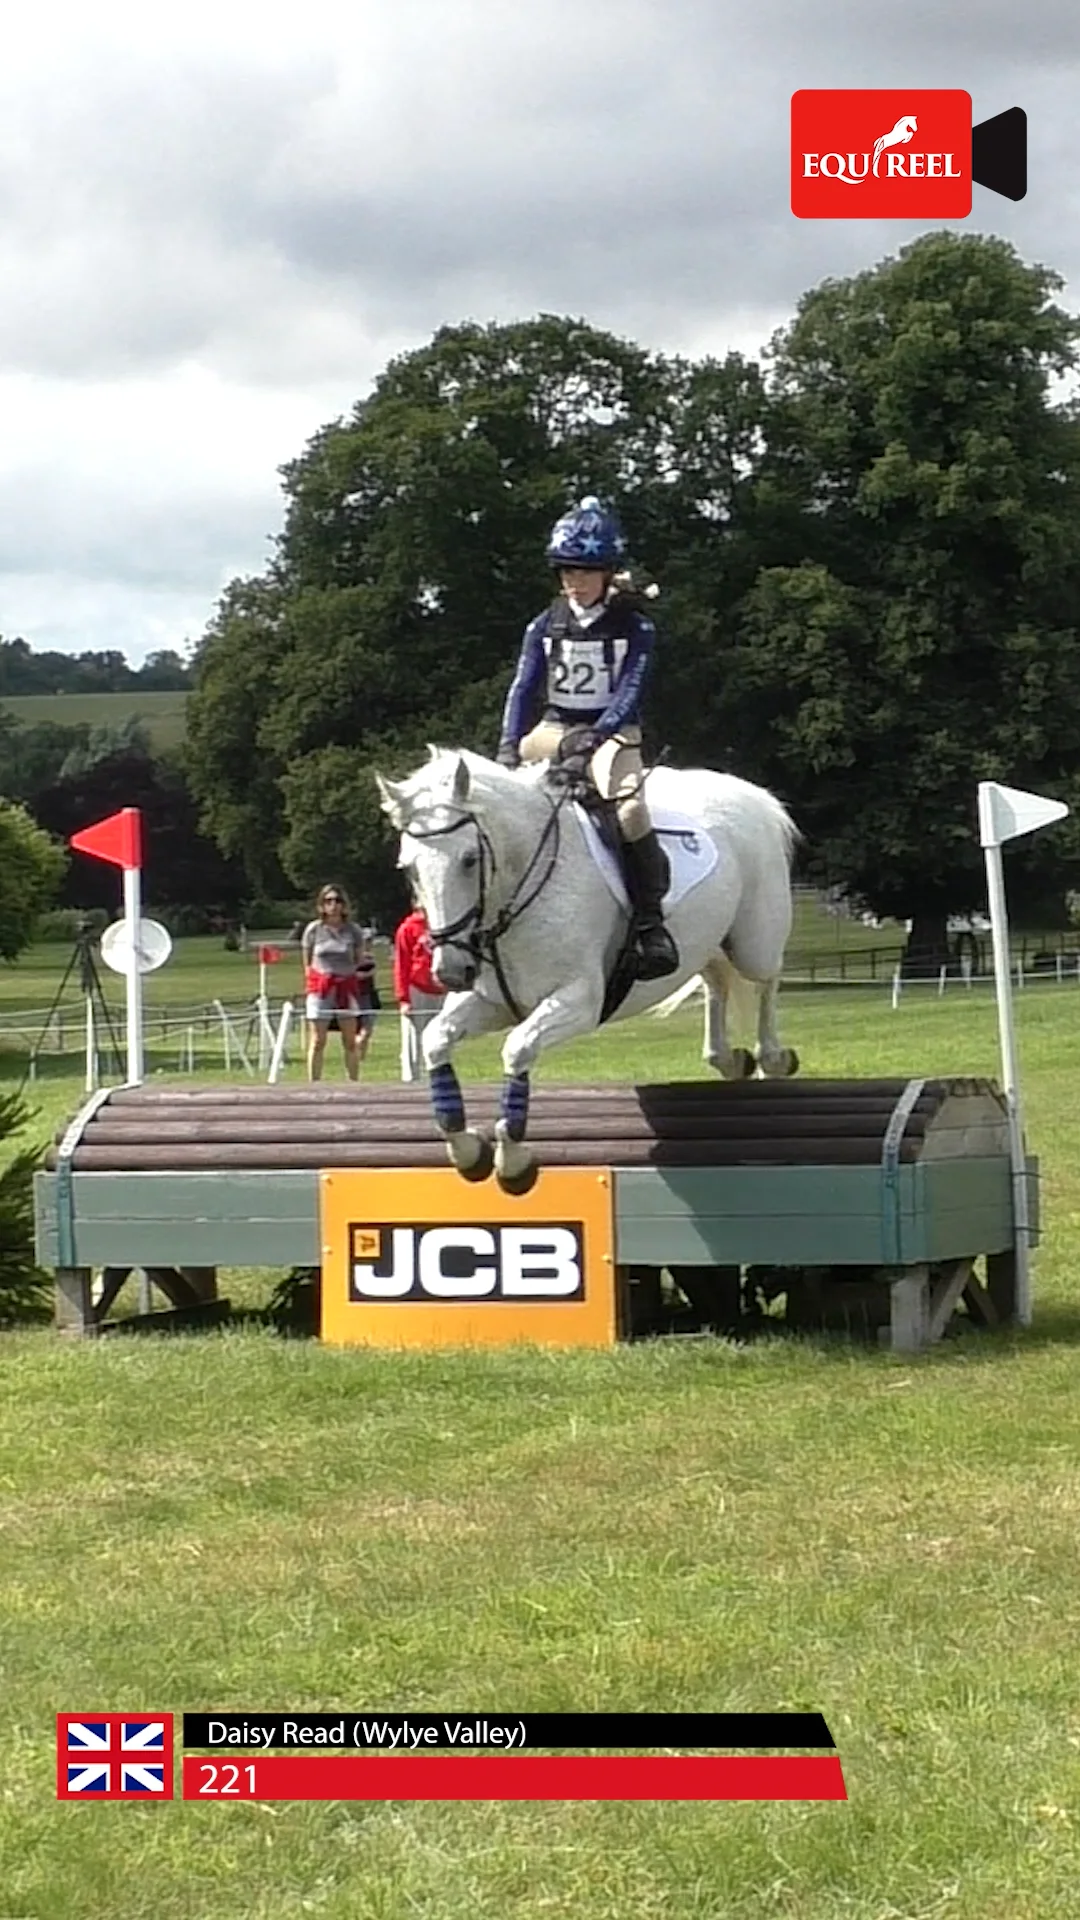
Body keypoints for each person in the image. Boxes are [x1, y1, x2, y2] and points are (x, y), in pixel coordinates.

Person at [495, 495, 679, 979]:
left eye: (583, 572)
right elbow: (522, 688)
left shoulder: (636, 627)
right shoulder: (544, 625)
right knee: (495, 802)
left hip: (613, 732)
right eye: (566, 572)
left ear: (605, 573)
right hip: (554, 728)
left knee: (631, 810)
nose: (573, 583)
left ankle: (649, 923)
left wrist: (597, 736)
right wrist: (509, 746)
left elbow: (629, 690)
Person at [301, 885, 377, 1081]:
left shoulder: (353, 930)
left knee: (350, 1041)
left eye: (337, 901)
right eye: (328, 901)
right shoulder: (314, 930)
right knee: (318, 1040)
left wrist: (356, 973)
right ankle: (314, 1084)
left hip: (346, 986)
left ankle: (353, 1082)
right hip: (321, 987)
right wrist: (314, 982)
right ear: (322, 905)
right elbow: (307, 962)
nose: (333, 905)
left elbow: (359, 960)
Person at [393, 903, 447, 1082]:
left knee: (440, 1036)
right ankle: (412, 1078)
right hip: (417, 988)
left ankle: (438, 1077)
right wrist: (404, 999)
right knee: (414, 1038)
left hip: (442, 988)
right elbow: (402, 964)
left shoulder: (443, 924)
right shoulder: (408, 928)